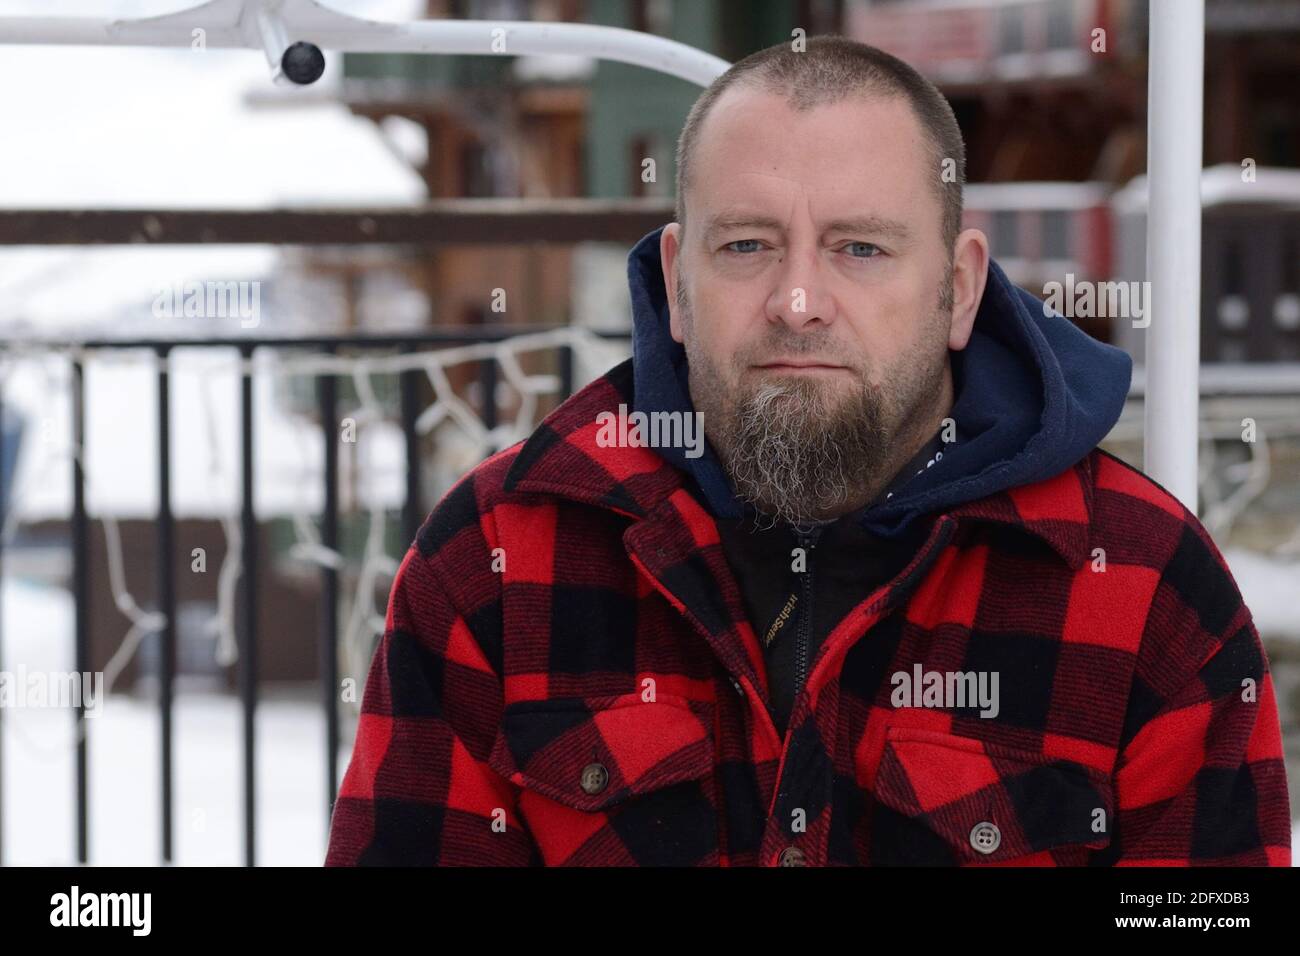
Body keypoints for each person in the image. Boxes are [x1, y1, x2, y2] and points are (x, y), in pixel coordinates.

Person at [325, 36, 1291, 866]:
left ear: (958, 289)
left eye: (860, 249)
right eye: (746, 246)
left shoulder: (1144, 588)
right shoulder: (495, 562)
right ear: (677, 279)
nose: (798, 299)